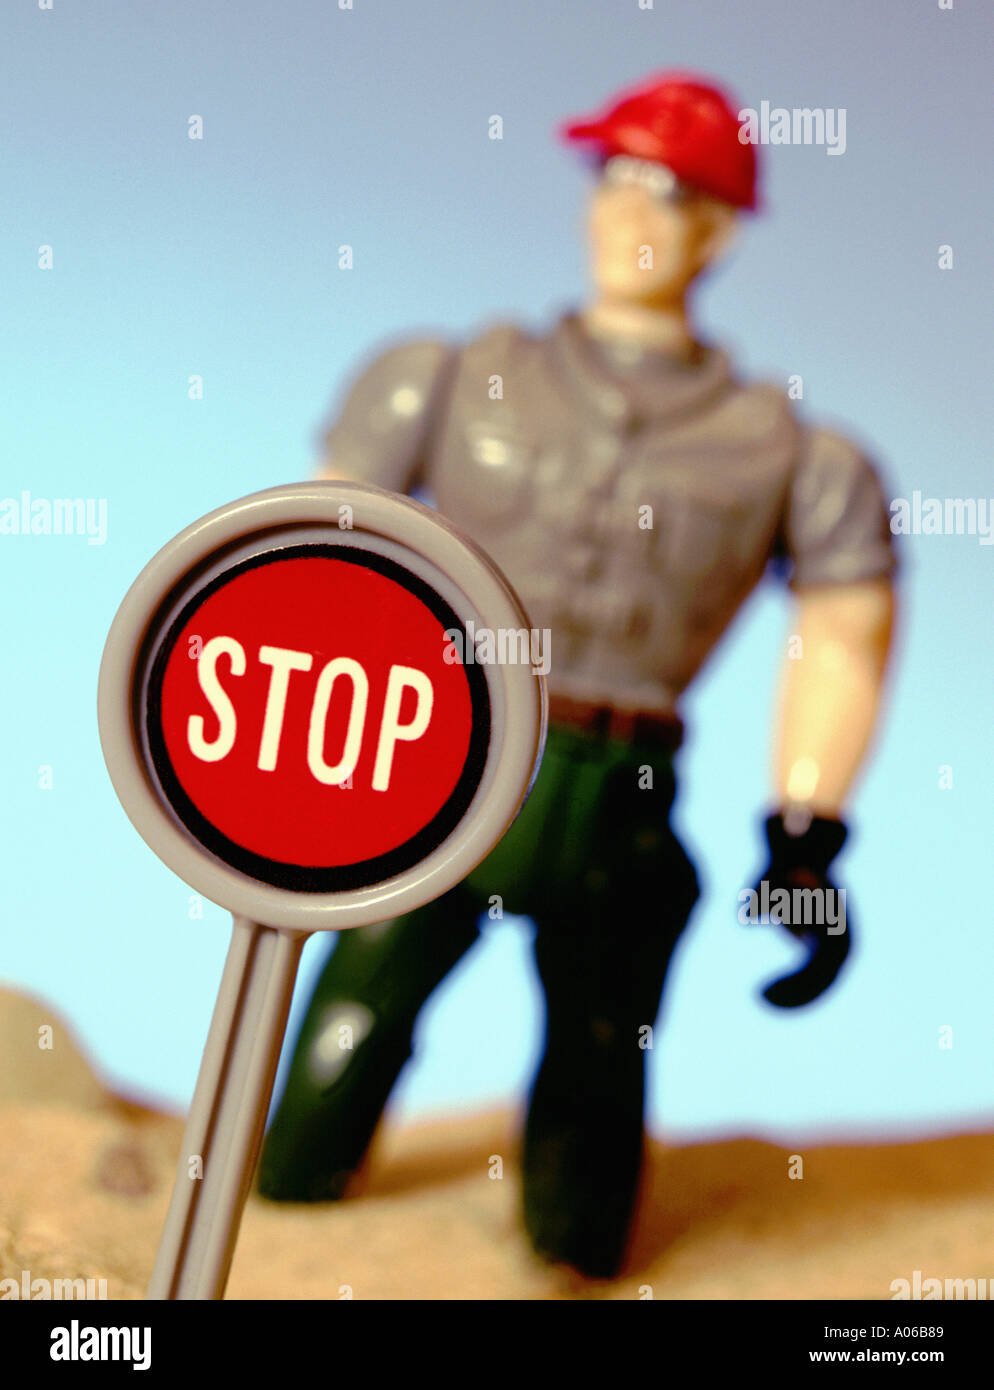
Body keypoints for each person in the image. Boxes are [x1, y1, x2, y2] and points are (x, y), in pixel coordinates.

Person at [257, 72, 898, 1278]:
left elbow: (843, 634)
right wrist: (296, 743)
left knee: (603, 1057)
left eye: (670, 191)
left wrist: (808, 831)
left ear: (718, 228)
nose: (633, 212)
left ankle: (573, 1264)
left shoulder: (791, 452)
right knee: (353, 1009)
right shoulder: (449, 377)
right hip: (448, 757)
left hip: (627, 786)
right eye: (615, 179)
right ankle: (276, 1216)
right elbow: (314, 563)